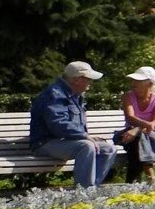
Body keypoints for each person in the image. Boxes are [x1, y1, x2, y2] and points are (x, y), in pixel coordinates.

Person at [28, 60, 118, 189]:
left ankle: (91, 188)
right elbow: (58, 125)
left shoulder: (75, 94)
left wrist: (85, 136)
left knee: (108, 149)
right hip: (45, 143)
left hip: (67, 142)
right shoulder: (54, 95)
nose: (90, 83)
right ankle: (83, 191)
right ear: (77, 80)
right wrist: (84, 136)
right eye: (88, 79)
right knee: (86, 146)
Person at [114, 65, 155, 182]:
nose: (133, 83)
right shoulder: (128, 96)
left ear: (149, 84)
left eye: (138, 80)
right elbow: (130, 117)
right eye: (133, 80)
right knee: (136, 140)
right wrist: (139, 129)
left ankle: (133, 183)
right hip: (130, 134)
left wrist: (138, 129)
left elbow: (154, 123)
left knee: (137, 142)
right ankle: (149, 175)